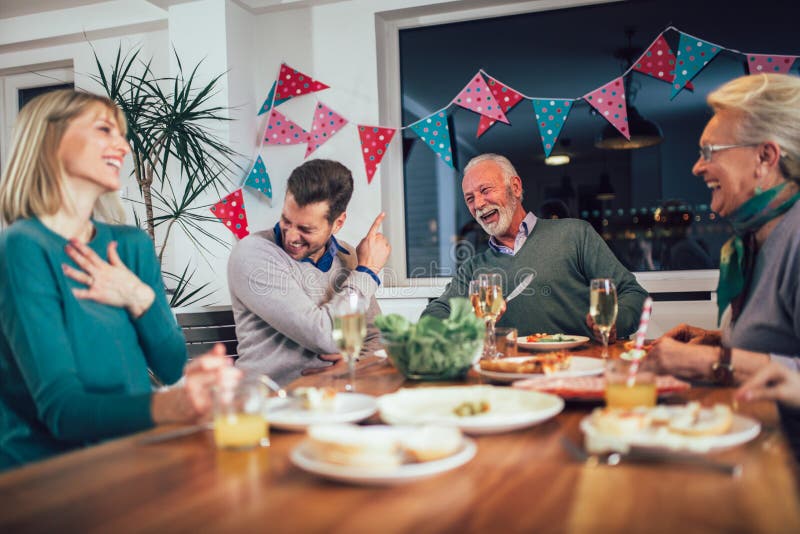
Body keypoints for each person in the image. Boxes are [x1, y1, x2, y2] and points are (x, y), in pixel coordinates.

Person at [0, 89, 236, 471]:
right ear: (51, 140)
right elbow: (63, 411)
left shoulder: (132, 246)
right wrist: (174, 405)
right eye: (105, 129)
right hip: (48, 476)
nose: (123, 146)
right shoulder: (23, 247)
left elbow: (174, 365)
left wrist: (140, 297)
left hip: (131, 455)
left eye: (121, 134)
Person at [650, 73, 800, 386]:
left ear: (765, 157)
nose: (697, 167)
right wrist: (718, 340)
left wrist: (717, 361)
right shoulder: (753, 241)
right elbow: (780, 345)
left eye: (709, 151)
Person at [422, 153, 648, 340]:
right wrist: (466, 323)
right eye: (469, 198)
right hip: (511, 374)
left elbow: (633, 293)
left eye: (485, 190)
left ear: (516, 188)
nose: (478, 204)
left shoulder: (575, 234)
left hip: (581, 365)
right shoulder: (473, 268)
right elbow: (433, 315)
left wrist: (616, 322)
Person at [227, 159, 391, 385]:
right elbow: (327, 336)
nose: (291, 237)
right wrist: (368, 271)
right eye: (286, 220)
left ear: (338, 223)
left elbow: (375, 338)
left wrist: (350, 366)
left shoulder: (348, 256)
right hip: (271, 402)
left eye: (306, 229)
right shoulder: (252, 253)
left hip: (334, 398)